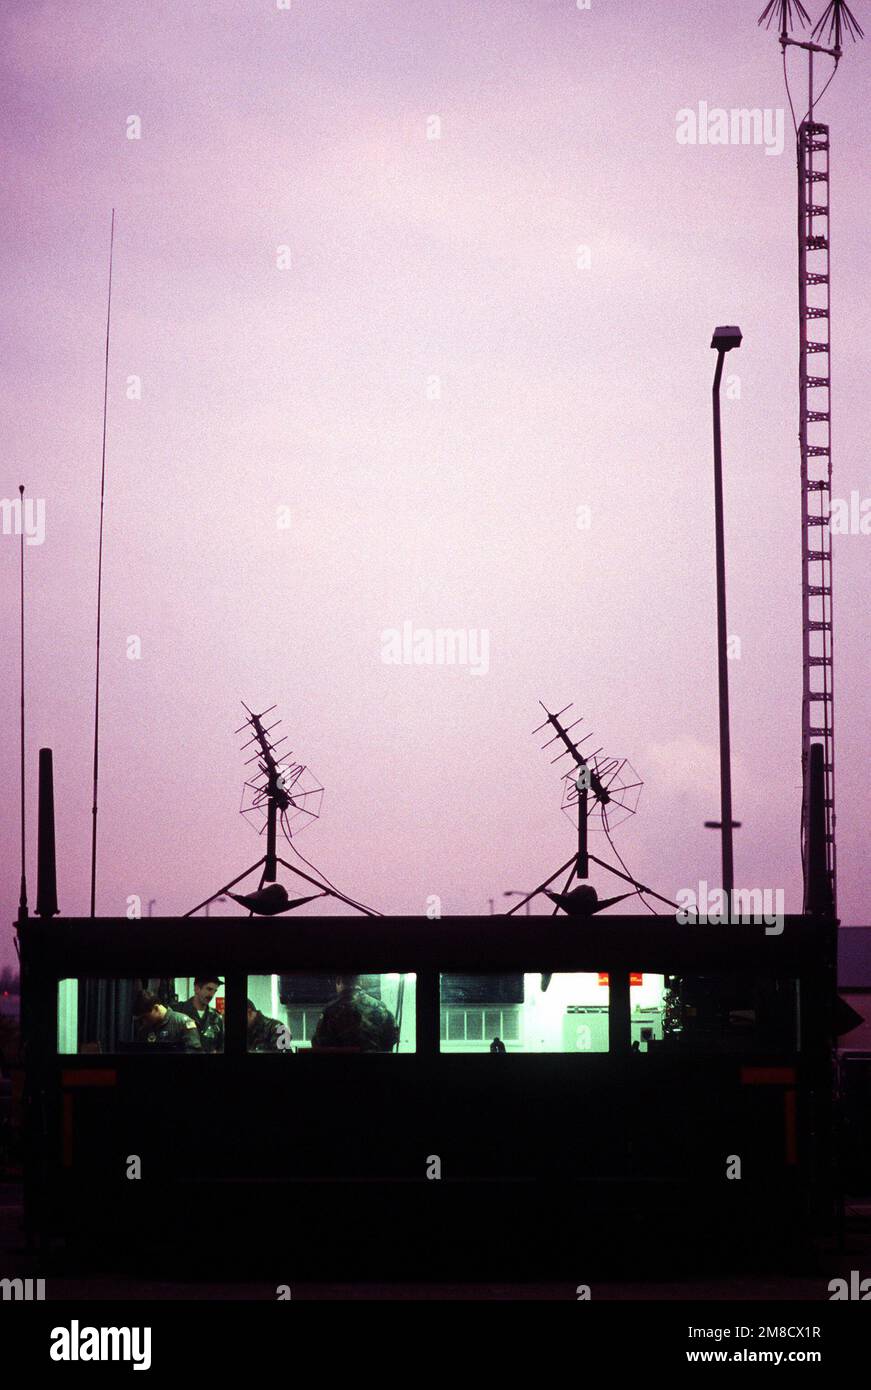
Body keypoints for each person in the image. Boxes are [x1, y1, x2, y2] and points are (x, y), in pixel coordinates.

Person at [312, 975, 397, 1052]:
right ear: (361, 982)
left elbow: (319, 1044)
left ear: (338, 981)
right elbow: (392, 1037)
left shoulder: (330, 1010)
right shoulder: (380, 1007)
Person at [132, 989, 202, 1053]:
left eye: (146, 1017)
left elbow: (194, 1051)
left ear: (156, 1008)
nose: (144, 1022)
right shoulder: (145, 1029)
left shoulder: (182, 1023)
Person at [175, 977, 225, 1053]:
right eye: (209, 989)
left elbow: (221, 1047)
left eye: (215, 991)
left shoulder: (216, 1017)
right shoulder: (178, 1011)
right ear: (197, 989)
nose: (211, 995)